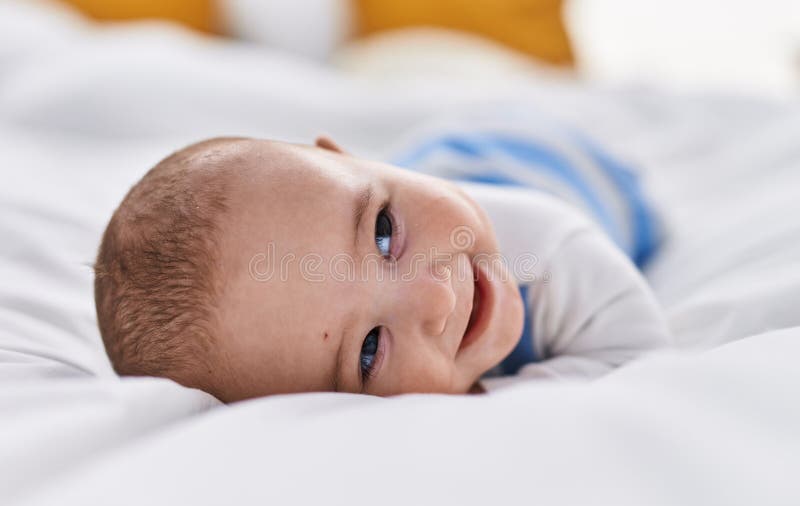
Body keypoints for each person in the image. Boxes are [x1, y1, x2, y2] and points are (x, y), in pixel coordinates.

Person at [93, 133, 670, 402]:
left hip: (555, 159)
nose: (437, 298)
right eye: (369, 350)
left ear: (341, 154)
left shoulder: (545, 244)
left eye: (383, 231)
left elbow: (635, 359)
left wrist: (498, 399)